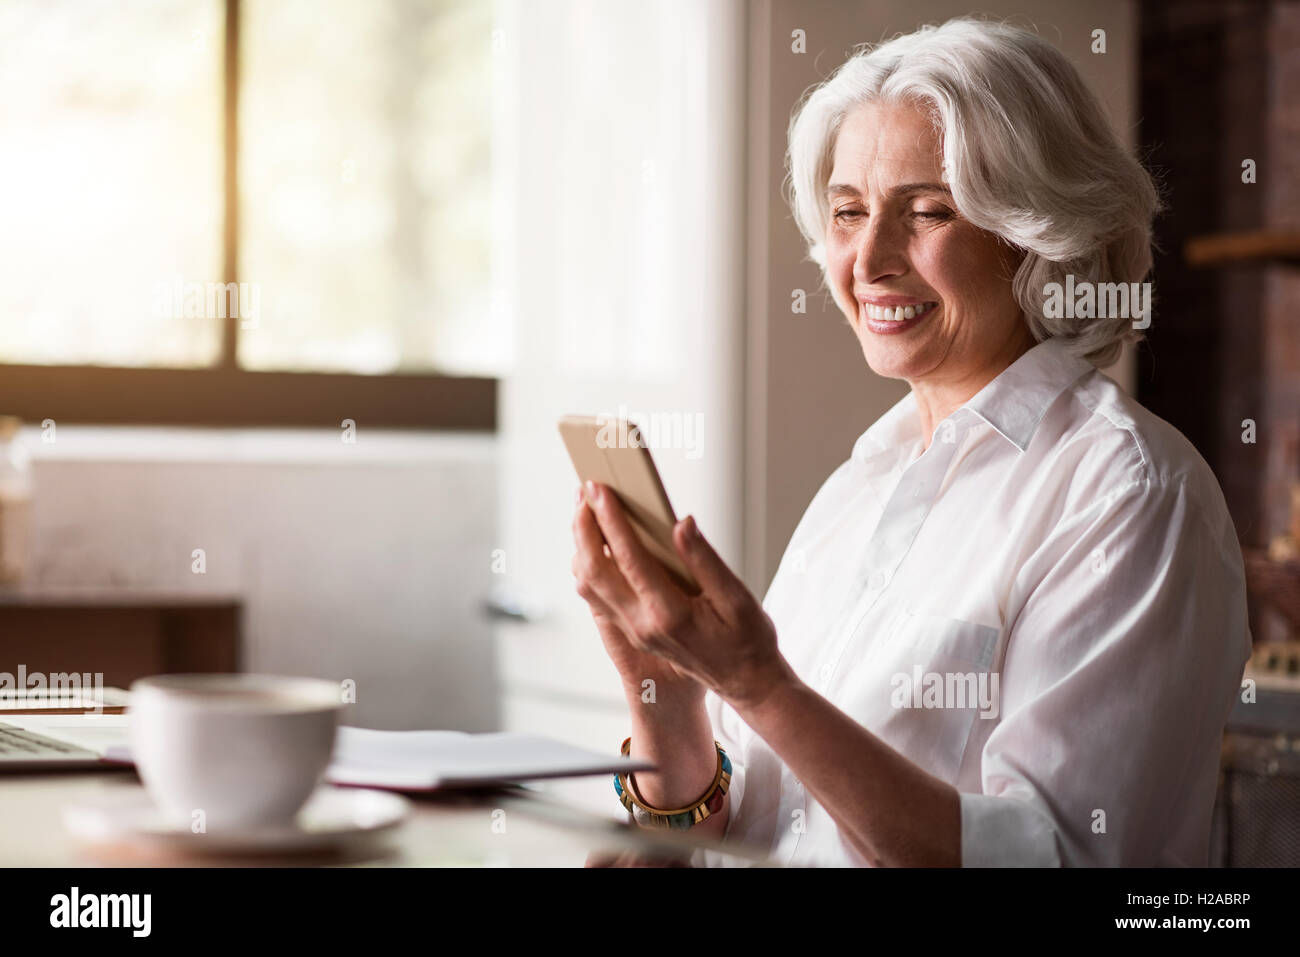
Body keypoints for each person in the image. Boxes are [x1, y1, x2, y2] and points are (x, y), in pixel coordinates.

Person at [570, 16, 1251, 866]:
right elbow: (744, 821)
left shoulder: (1130, 492)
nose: (868, 259)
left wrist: (760, 685)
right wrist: (668, 701)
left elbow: (1057, 857)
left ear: (1036, 231)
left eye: (926, 212)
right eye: (848, 212)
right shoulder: (864, 482)